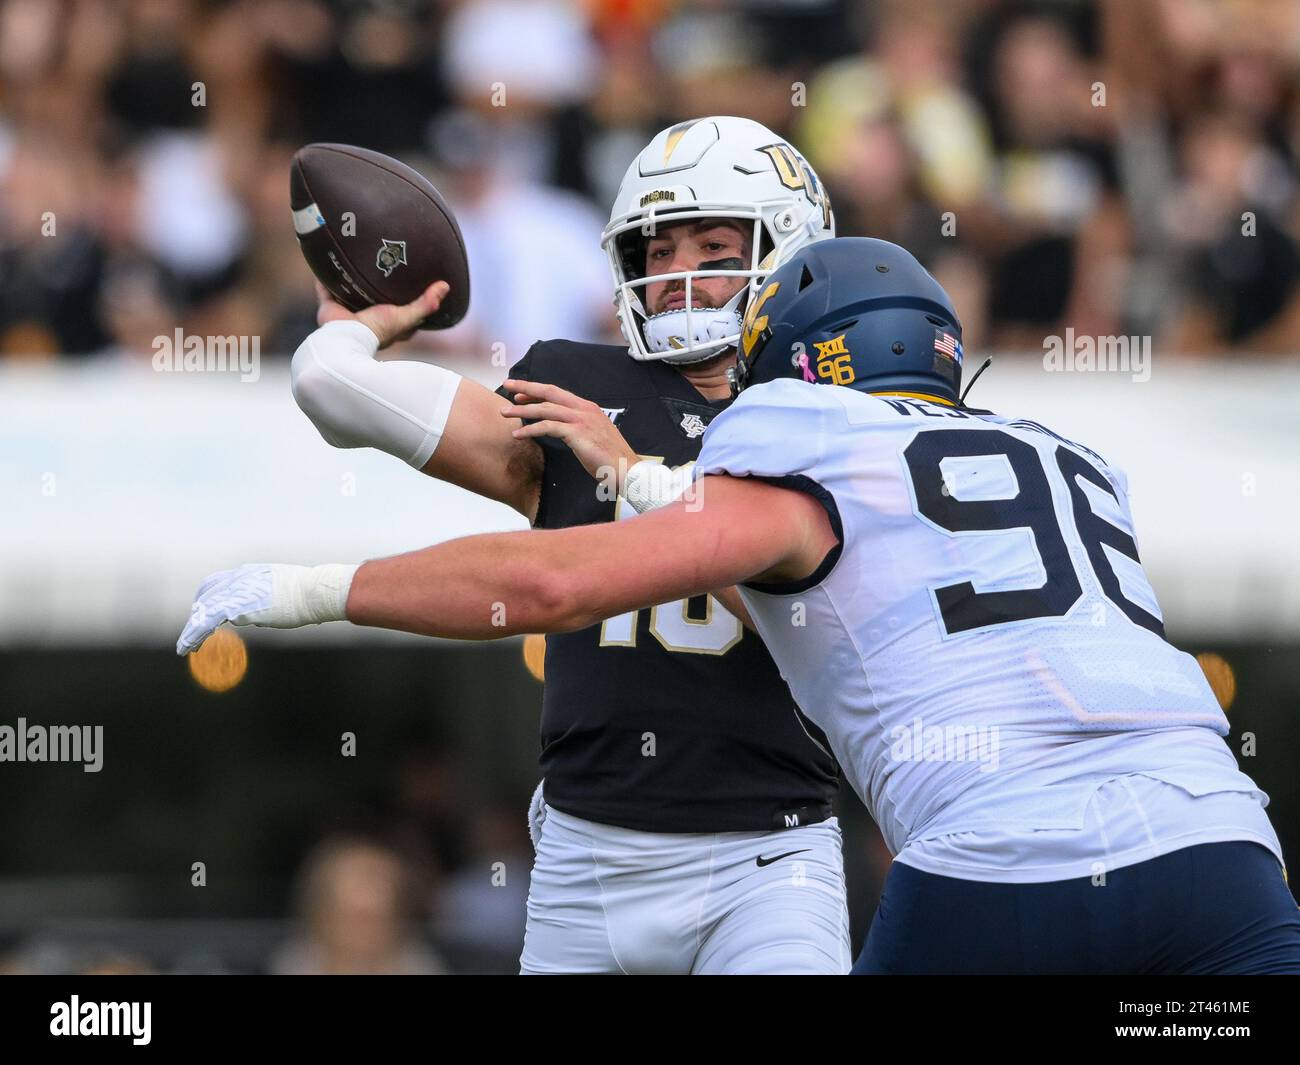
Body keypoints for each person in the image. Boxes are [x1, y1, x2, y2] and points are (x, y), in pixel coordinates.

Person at [181, 236, 1300, 974]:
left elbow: (555, 579)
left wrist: (313, 588)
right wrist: (639, 476)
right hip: (1218, 852)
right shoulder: (1065, 453)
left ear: (803, 367)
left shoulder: (807, 435)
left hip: (995, 866)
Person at [252, 116, 848, 974]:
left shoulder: (824, 416)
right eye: (658, 250)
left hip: (769, 854)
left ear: (789, 251)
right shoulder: (579, 388)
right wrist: (372, 319)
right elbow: (329, 385)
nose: (679, 276)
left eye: (713, 246)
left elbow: (800, 616)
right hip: (586, 855)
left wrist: (637, 477)